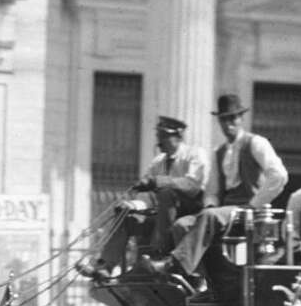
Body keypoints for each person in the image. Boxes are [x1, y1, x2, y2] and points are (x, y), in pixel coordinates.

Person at [143, 92, 288, 285]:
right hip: (227, 211)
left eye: (232, 119)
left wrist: (254, 204)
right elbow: (212, 189)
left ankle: (173, 264)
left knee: (209, 218)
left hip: (250, 211)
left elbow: (279, 175)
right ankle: (201, 281)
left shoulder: (256, 143)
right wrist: (210, 205)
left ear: (241, 118)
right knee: (182, 225)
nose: (228, 125)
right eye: (223, 120)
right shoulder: (218, 152)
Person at [84, 115, 209, 279]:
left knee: (165, 192)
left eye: (164, 136)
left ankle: (162, 256)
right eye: (159, 137)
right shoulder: (160, 162)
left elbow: (193, 186)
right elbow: (149, 193)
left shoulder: (194, 154)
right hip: (163, 216)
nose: (160, 141)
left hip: (189, 213)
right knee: (127, 217)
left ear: (177, 136)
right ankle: (105, 265)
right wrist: (133, 204)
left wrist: (161, 181)